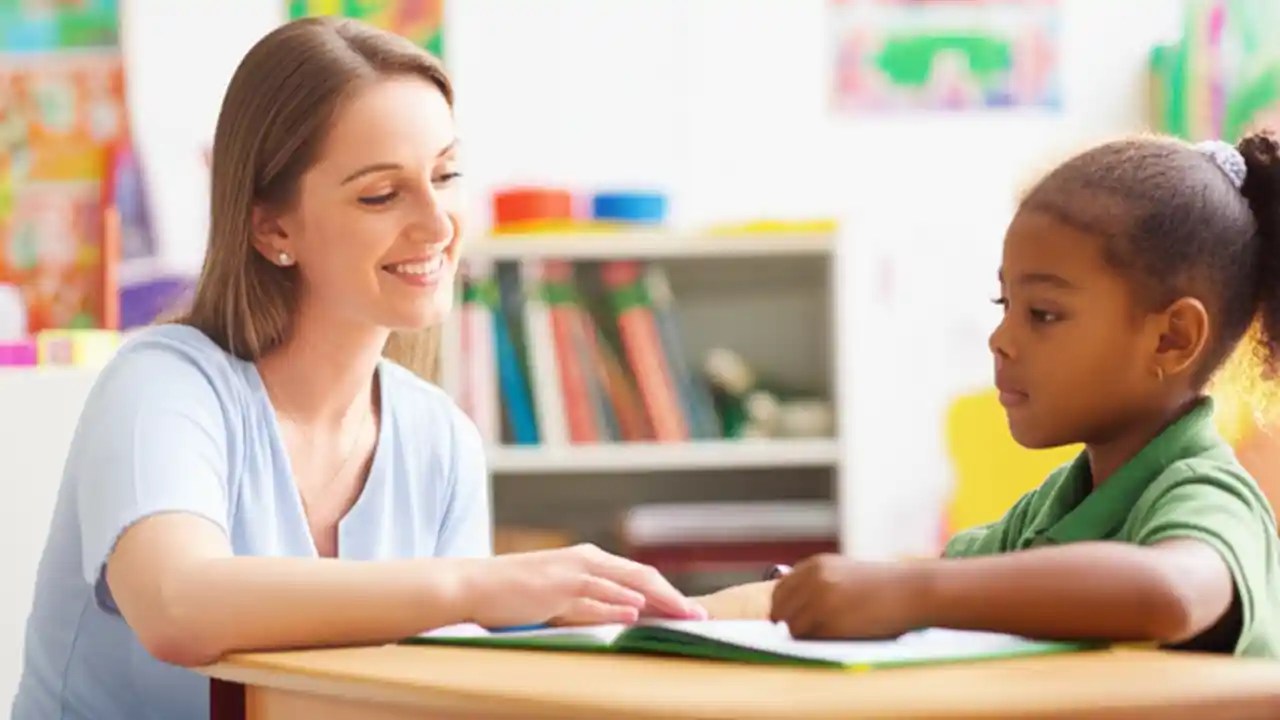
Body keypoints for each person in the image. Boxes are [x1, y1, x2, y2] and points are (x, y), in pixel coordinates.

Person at [11, 17, 704, 720]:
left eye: (446, 175)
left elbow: (429, 693)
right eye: (381, 194)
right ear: (272, 229)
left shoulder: (440, 439)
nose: (438, 224)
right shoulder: (162, 386)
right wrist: (475, 587)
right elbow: (175, 605)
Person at [769, 132, 1280, 658]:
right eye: (1003, 302)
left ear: (1171, 338)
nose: (1000, 339)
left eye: (1043, 314)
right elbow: (843, 594)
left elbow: (1171, 592)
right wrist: (697, 614)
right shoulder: (1050, 511)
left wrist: (910, 593)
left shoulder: (1207, 492)